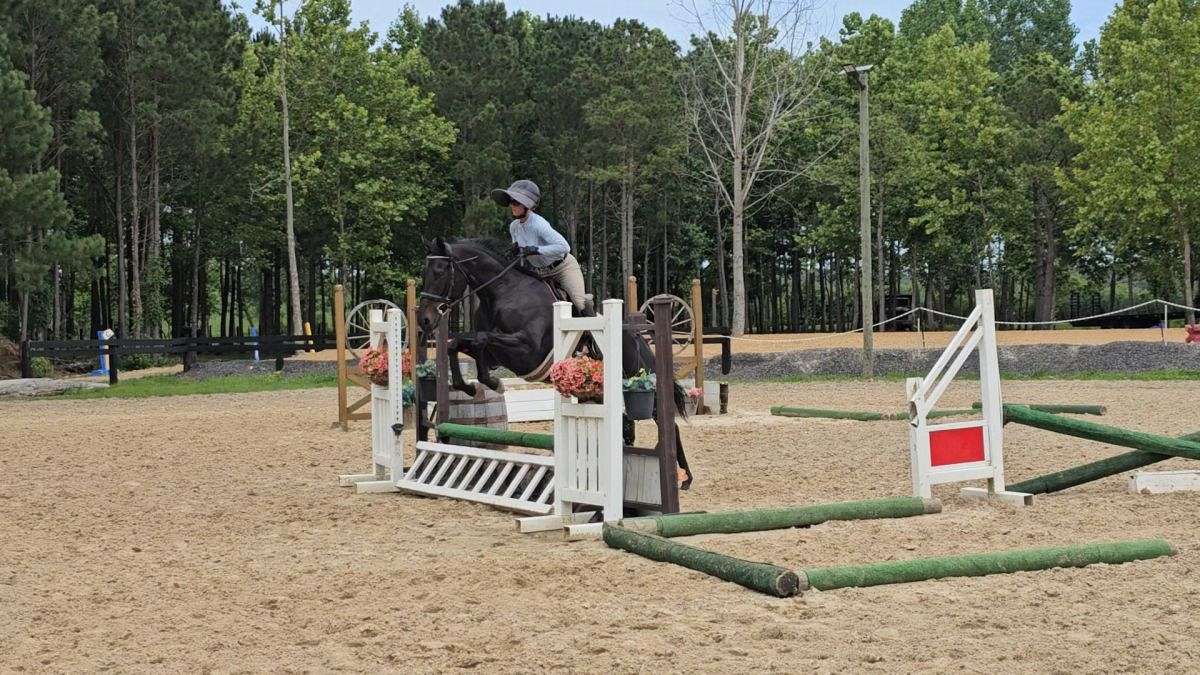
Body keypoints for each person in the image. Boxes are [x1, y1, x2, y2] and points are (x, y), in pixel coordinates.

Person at [489, 179, 591, 314]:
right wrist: (514, 251)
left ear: (527, 206)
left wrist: (537, 249)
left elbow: (564, 247)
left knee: (579, 302)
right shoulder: (514, 227)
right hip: (540, 272)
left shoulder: (538, 224)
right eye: (510, 202)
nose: (512, 206)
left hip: (563, 268)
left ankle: (593, 331)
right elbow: (519, 252)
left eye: (515, 202)